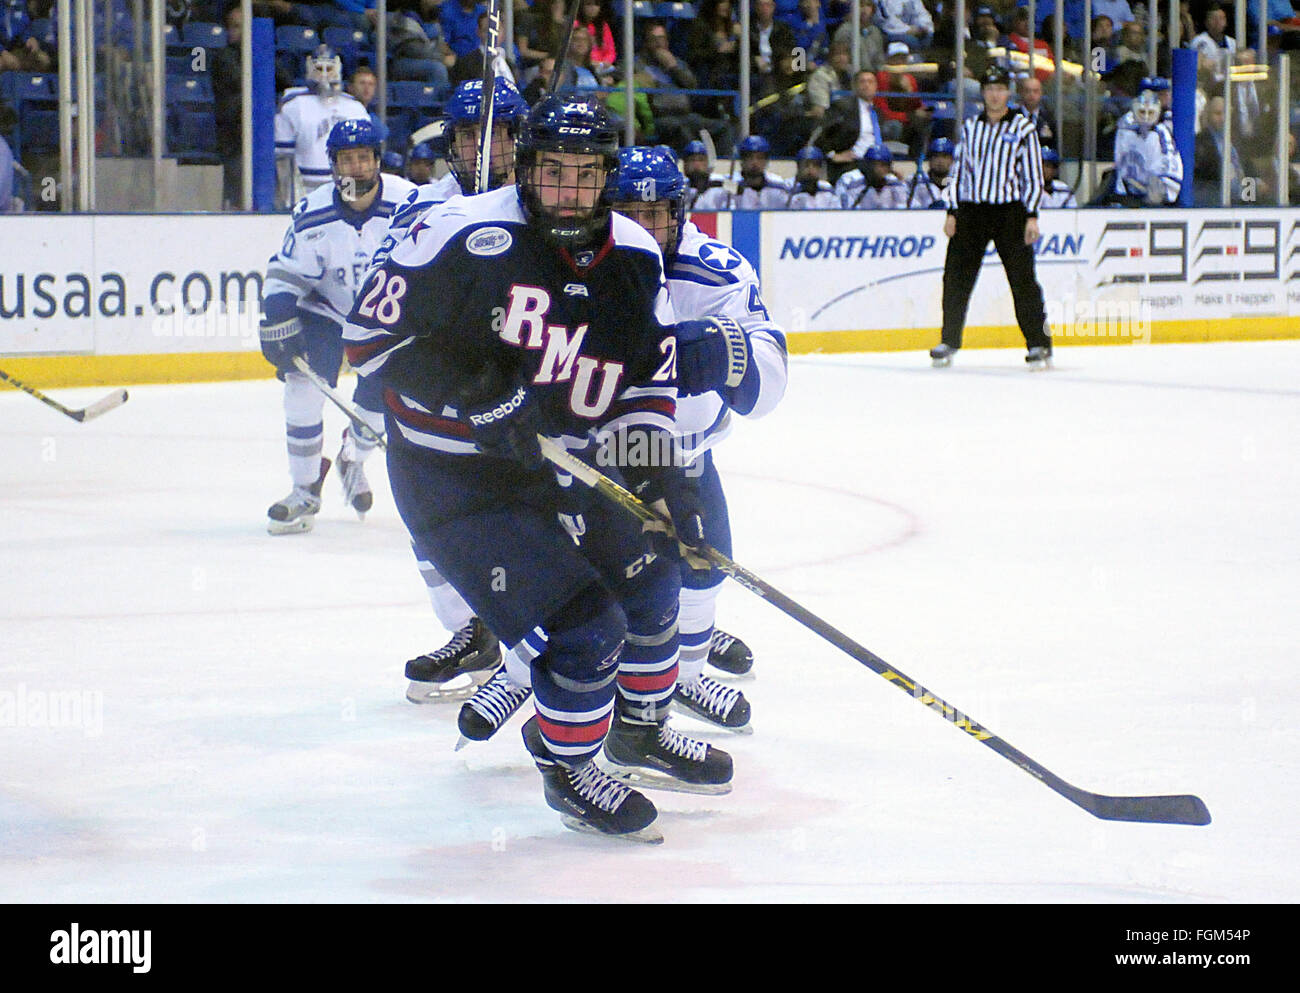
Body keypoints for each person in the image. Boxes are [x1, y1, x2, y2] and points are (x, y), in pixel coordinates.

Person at [345, 97, 732, 842]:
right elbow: (369, 344)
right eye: (550, 171)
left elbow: (642, 379)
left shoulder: (634, 255)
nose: (566, 190)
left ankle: (638, 731)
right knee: (584, 628)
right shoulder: (456, 232)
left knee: (655, 578)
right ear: (524, 169)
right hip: (451, 475)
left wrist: (657, 479)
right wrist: (477, 393)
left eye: (584, 175)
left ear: (605, 179)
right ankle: (568, 766)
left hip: (555, 466)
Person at [460, 145, 789, 742]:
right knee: (570, 586)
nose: (642, 224)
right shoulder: (569, 259)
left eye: (656, 210)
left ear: (681, 212)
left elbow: (771, 380)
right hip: (582, 456)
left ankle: (678, 683)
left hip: (677, 455)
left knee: (702, 571)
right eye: (627, 207)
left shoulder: (716, 269)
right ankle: (518, 675)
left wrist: (724, 351)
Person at [363, 78, 530, 702]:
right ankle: (472, 632)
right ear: (451, 142)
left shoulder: (546, 203)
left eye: (503, 133)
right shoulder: (420, 210)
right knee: (431, 526)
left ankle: (569, 648)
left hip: (527, 400)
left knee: (541, 529)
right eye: (469, 134)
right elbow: (383, 310)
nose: (487, 147)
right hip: (441, 403)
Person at [259, 119, 418, 535]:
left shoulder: (410, 204)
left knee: (380, 404)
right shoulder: (313, 213)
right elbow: (286, 271)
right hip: (325, 311)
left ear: (378, 161)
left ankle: (353, 456)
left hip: (384, 320)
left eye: (364, 158)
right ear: (332, 166)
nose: (356, 168)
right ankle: (304, 489)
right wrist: (277, 311)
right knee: (302, 387)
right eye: (346, 159)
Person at [931, 64, 1052, 370]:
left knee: (1022, 280)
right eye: (990, 90)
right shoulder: (972, 127)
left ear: (1008, 93)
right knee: (956, 278)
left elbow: (1033, 176)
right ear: (983, 93)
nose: (995, 95)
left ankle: (1038, 342)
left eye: (1000, 90)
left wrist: (1032, 215)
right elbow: (958, 172)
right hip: (971, 212)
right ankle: (949, 341)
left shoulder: (1023, 128)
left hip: (1010, 212)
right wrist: (952, 210)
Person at [274, 45, 371, 206]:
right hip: (306, 188)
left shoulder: (355, 107)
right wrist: (289, 197)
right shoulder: (293, 104)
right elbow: (283, 159)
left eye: (329, 68)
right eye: (319, 68)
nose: (325, 74)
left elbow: (366, 156)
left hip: (346, 184)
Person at [1110, 90, 1182, 206]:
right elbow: (1120, 165)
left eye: (1151, 112)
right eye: (1142, 112)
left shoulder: (1161, 134)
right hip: (1127, 197)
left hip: (1152, 200)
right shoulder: (1124, 131)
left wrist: (1163, 187)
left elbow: (1171, 165)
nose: (1146, 117)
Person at [693, 135, 790, 209]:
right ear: (742, 161)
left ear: (766, 161)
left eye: (760, 158)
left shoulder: (778, 184)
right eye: (750, 158)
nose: (755, 163)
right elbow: (703, 207)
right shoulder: (728, 182)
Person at [835, 144, 908, 208]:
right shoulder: (850, 180)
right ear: (867, 165)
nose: (884, 169)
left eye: (886, 165)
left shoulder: (894, 182)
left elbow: (905, 209)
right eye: (879, 165)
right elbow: (845, 210)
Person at [904, 135, 954, 208]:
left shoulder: (958, 182)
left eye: (945, 157)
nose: (940, 161)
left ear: (952, 160)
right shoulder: (915, 181)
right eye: (936, 156)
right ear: (929, 160)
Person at [681, 139, 729, 210]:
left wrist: (715, 184)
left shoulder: (721, 182)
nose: (696, 164)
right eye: (692, 160)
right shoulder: (681, 188)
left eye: (701, 160)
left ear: (707, 163)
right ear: (685, 164)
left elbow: (739, 186)